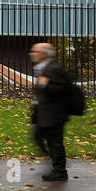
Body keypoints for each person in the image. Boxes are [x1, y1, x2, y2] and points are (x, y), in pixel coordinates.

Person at [29, 42, 70, 181]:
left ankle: (60, 171)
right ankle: (53, 160)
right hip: (44, 113)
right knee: (38, 136)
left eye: (35, 51)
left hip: (54, 114)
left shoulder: (53, 68)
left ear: (44, 53)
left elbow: (63, 90)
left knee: (55, 142)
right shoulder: (43, 67)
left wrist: (45, 84)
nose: (32, 54)